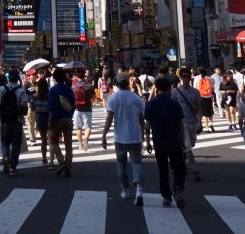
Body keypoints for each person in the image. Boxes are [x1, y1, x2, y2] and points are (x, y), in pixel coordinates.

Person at [145, 75, 187, 209]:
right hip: (174, 141)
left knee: (163, 170)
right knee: (179, 168)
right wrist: (184, 141)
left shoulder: (151, 104)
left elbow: (147, 126)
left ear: (156, 89)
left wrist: (148, 142)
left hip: (159, 142)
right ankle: (178, 186)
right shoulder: (174, 104)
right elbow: (181, 124)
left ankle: (166, 197)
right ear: (169, 88)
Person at [103, 73, 145, 205]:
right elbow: (141, 118)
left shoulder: (113, 98)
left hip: (120, 137)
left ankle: (125, 190)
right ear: (128, 83)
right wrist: (143, 132)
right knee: (136, 163)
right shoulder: (136, 98)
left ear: (116, 83)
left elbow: (109, 118)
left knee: (121, 164)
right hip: (135, 136)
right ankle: (138, 189)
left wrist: (104, 135)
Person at [0, 68, 30, 176]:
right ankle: (13, 167)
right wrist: (23, 112)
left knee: (5, 141)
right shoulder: (21, 90)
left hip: (4, 120)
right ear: (17, 78)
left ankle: (6, 156)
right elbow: (25, 105)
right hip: (17, 121)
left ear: (8, 78)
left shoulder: (2, 89)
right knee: (16, 144)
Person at [172, 69, 203, 182]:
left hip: (192, 121)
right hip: (181, 122)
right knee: (187, 146)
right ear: (180, 77)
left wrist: (200, 121)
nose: (186, 79)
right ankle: (195, 170)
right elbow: (173, 108)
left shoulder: (195, 91)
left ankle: (181, 163)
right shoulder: (175, 92)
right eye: (184, 76)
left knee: (190, 144)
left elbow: (199, 107)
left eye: (188, 76)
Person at [47, 68, 75, 176]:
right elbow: (73, 104)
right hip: (68, 119)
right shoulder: (69, 90)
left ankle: (61, 161)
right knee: (68, 144)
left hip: (56, 119)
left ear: (54, 78)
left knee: (53, 141)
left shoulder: (53, 90)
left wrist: (50, 120)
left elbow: (51, 107)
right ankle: (68, 167)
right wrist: (70, 115)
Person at [71, 68, 94, 151]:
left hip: (77, 109)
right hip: (87, 108)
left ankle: (80, 144)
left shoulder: (73, 86)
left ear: (77, 76)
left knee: (78, 128)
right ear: (84, 75)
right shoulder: (88, 85)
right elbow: (93, 97)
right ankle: (86, 138)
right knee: (88, 127)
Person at [31, 77, 52, 168]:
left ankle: (44, 158)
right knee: (52, 141)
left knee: (44, 140)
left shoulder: (35, 96)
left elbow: (32, 108)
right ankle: (51, 160)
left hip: (40, 117)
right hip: (49, 117)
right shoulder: (50, 95)